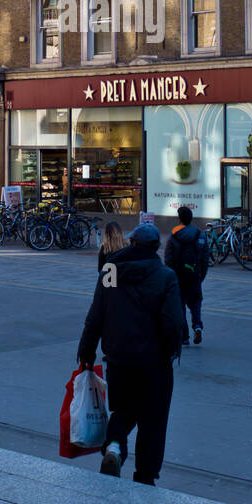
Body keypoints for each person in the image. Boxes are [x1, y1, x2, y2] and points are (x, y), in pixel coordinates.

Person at [77, 221, 186, 486]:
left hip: (119, 359)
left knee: (123, 410)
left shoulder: (111, 271)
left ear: (132, 244)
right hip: (155, 363)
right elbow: (173, 321)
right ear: (156, 248)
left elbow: (96, 316)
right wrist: (173, 350)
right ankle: (146, 475)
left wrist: (86, 352)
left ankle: (114, 447)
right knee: (153, 419)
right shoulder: (165, 276)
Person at [164, 205, 210, 346]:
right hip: (194, 275)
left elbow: (168, 260)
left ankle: (184, 336)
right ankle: (197, 326)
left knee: (180, 307)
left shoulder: (174, 236)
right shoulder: (200, 235)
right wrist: (200, 276)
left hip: (178, 277)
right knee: (196, 304)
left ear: (179, 219)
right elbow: (205, 259)